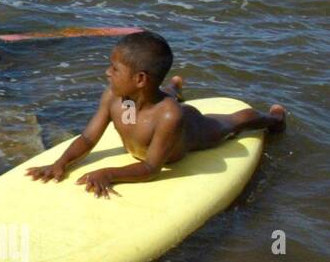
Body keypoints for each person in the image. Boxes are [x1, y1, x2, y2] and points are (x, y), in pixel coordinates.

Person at [26, 30, 285, 198]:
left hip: (193, 131)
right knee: (160, 96)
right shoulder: (114, 97)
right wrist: (61, 163)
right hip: (151, 98)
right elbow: (88, 138)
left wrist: (109, 173)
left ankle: (274, 118)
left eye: (114, 69)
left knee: (234, 122)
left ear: (139, 79)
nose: (107, 73)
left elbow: (151, 167)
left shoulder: (170, 117)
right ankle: (174, 87)